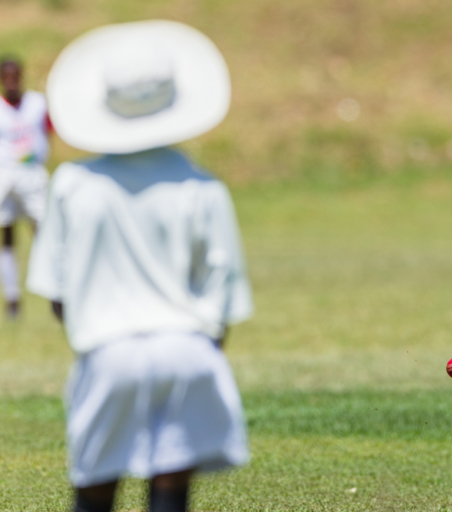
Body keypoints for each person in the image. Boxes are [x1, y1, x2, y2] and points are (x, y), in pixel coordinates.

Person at [27, 20, 251, 512]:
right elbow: (222, 292)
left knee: (95, 488)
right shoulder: (202, 185)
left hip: (110, 350)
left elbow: (57, 294)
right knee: (171, 486)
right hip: (188, 349)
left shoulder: (73, 183)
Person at [0, 56, 52, 317]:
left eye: (15, 77)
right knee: (7, 236)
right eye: (6, 77)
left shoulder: (37, 104)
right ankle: (12, 298)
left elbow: (50, 130)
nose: (12, 82)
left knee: (44, 232)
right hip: (5, 176)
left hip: (33, 174)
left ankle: (53, 291)